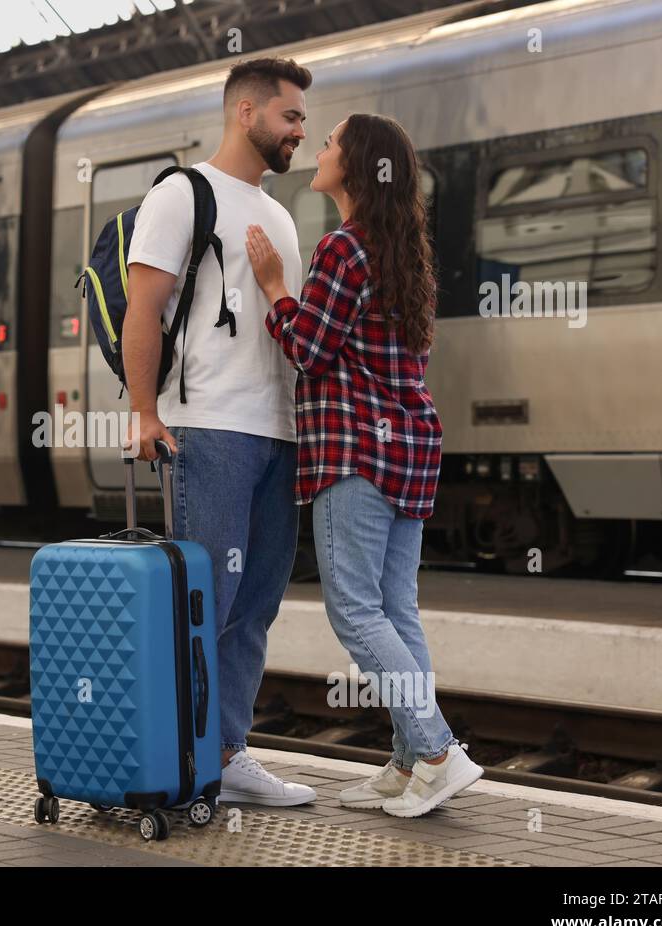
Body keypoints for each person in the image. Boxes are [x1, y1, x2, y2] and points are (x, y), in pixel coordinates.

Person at [244, 113, 484, 817]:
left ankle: (438, 752)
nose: (317, 150)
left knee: (355, 610)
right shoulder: (404, 251)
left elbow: (310, 348)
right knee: (396, 608)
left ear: (353, 166)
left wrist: (272, 287)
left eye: (329, 143)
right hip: (409, 446)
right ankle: (410, 762)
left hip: (355, 449)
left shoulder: (343, 248)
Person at [123, 57, 317, 806]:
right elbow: (145, 308)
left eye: (302, 119)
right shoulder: (182, 194)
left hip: (280, 431)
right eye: (290, 116)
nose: (301, 130)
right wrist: (146, 412)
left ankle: (227, 752)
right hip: (209, 426)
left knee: (259, 597)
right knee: (208, 597)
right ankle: (180, 759)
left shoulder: (280, 212)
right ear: (247, 113)